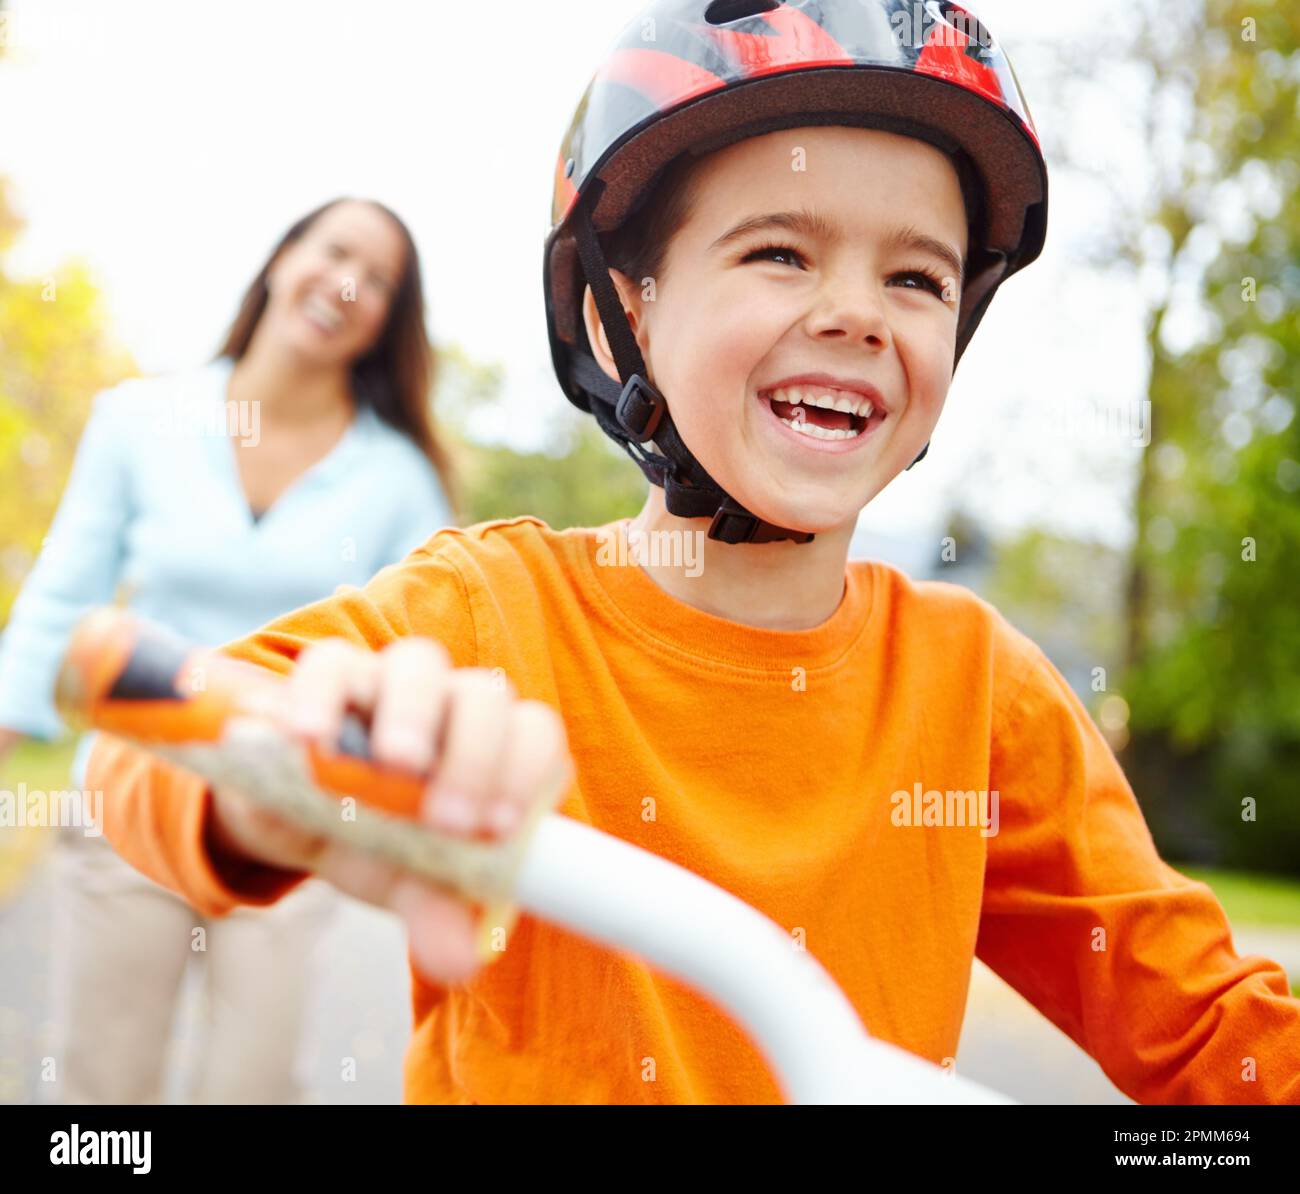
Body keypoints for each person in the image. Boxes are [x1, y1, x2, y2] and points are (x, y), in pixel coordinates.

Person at [89, 1, 1300, 1103]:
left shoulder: (980, 693)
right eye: (779, 251)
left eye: (918, 277)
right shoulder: (489, 612)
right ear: (633, 307)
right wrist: (275, 781)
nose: (857, 312)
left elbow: (1203, 1025)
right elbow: (146, 758)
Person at [0, 196, 456, 1103]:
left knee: (250, 1086)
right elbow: (66, 589)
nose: (349, 285)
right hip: (131, 788)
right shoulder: (140, 419)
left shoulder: (397, 479)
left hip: (289, 813)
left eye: (380, 283)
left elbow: (429, 641)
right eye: (335, 252)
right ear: (284, 257)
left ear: (386, 325)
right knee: (101, 1084)